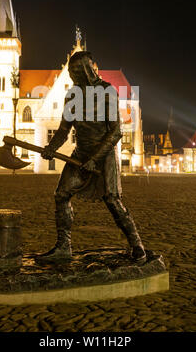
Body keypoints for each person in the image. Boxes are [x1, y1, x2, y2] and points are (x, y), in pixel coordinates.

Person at [40, 51, 146, 264]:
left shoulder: (108, 92)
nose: (73, 76)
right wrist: (51, 147)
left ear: (87, 70)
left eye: (76, 72)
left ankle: (137, 246)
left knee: (113, 201)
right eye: (71, 72)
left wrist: (96, 158)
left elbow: (116, 132)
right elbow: (63, 129)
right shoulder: (72, 95)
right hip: (80, 154)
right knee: (61, 194)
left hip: (104, 155)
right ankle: (63, 247)